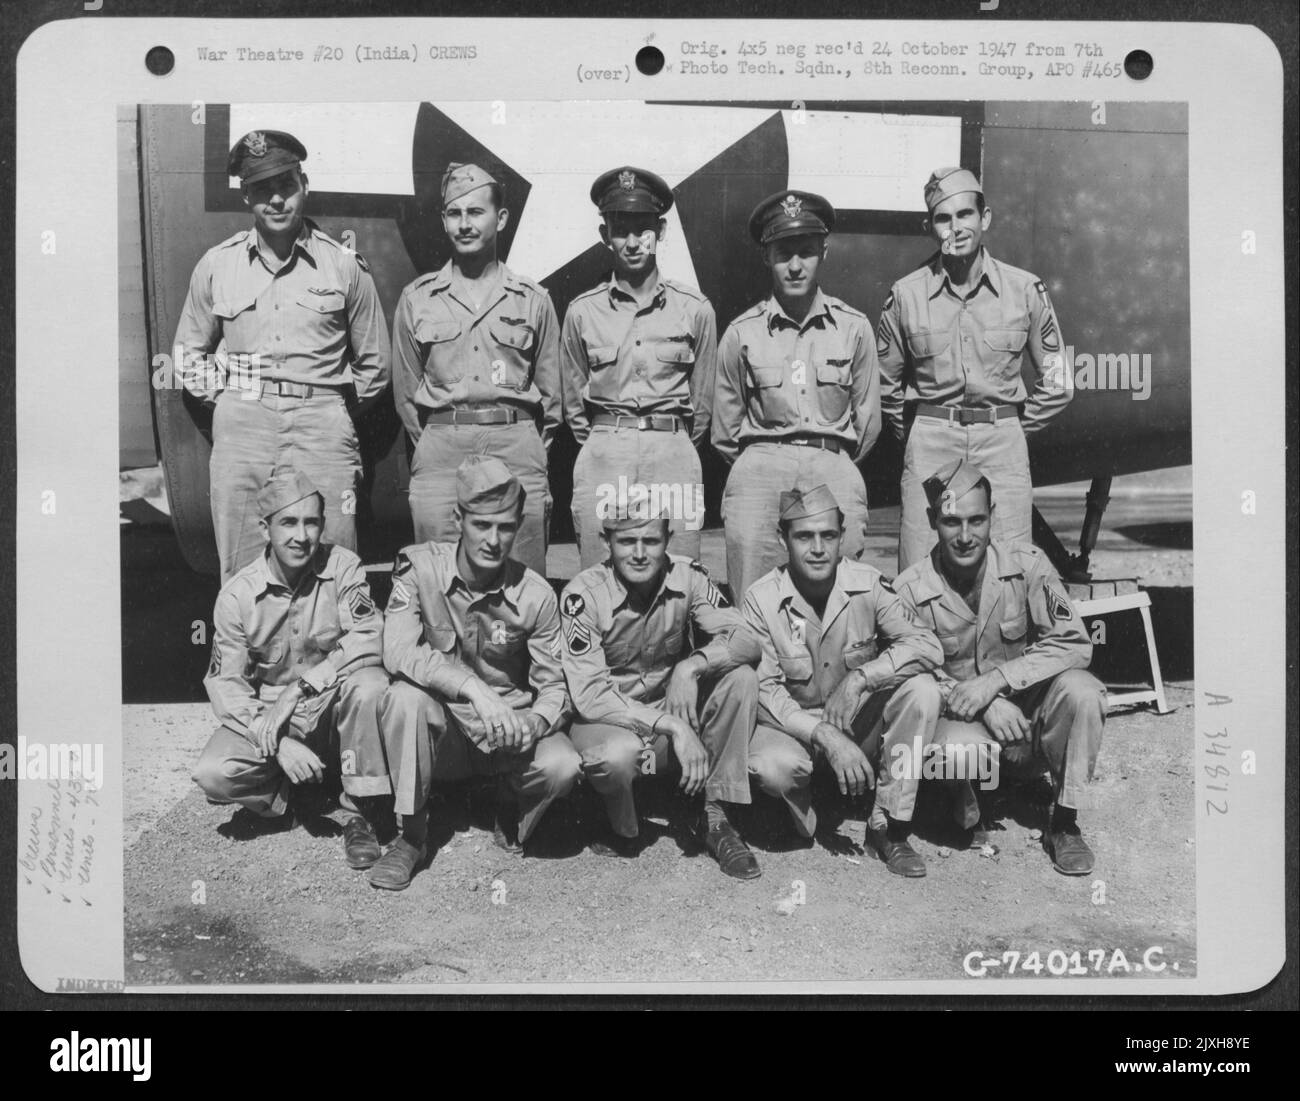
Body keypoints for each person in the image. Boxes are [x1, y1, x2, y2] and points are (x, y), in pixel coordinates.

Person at [174, 130, 390, 582]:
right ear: (246, 197)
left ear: (304, 185)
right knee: (243, 568)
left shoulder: (344, 264)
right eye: (261, 189)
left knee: (334, 563)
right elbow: (189, 353)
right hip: (244, 427)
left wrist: (328, 407)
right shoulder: (218, 265)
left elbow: (375, 365)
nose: (276, 199)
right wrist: (232, 401)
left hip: (322, 427)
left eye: (286, 185)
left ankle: (335, 652)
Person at [371, 457, 580, 890]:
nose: (493, 539)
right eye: (481, 525)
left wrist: (536, 722)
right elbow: (397, 650)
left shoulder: (536, 595)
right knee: (404, 699)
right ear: (457, 519)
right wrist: (472, 688)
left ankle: (508, 804)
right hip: (447, 731)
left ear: (519, 525)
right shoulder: (419, 570)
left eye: (505, 527)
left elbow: (555, 684)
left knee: (562, 764)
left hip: (507, 732)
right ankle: (411, 835)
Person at [892, 459, 1106, 875]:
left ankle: (1064, 822)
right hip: (963, 725)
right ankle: (956, 797)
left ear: (992, 517)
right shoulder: (909, 590)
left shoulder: (1028, 567)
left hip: (1024, 726)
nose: (966, 536)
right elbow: (907, 671)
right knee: (957, 752)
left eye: (977, 520)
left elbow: (1075, 642)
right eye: (952, 522)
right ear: (933, 520)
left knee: (1083, 690)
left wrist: (997, 682)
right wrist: (983, 701)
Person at [193, 469, 392, 871]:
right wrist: (277, 743)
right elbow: (225, 683)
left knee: (369, 684)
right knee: (215, 773)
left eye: (312, 522)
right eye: (288, 522)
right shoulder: (237, 596)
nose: (301, 536)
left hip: (332, 710)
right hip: (272, 722)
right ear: (265, 528)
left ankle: (360, 812)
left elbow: (370, 635)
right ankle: (289, 795)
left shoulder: (343, 567)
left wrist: (298, 689)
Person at [741, 484, 945, 878]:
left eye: (828, 536)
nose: (817, 548)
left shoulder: (868, 583)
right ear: (783, 539)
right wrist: (825, 736)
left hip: (855, 723)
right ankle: (803, 808)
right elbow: (764, 691)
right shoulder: (760, 600)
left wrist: (862, 677)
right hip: (794, 729)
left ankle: (887, 823)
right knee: (774, 766)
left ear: (842, 536)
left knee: (922, 690)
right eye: (804, 536)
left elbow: (926, 646)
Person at [876, 167, 1072, 571]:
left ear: (985, 219)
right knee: (918, 571)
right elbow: (884, 385)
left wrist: (1010, 427)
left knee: (1011, 569)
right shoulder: (906, 295)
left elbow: (1059, 381)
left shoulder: (1024, 291)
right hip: (932, 442)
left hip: (1002, 444)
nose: (956, 228)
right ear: (930, 227)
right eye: (943, 219)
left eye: (965, 215)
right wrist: (924, 430)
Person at [559, 504, 762, 878]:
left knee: (742, 678)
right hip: (613, 721)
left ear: (668, 539)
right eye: (627, 541)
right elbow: (590, 696)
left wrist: (692, 665)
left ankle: (715, 816)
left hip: (669, 719)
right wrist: (672, 725)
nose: (639, 553)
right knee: (618, 754)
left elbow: (747, 638)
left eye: (651, 540)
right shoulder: (582, 596)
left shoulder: (689, 577)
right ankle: (618, 820)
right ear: (606, 542)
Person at [391, 162, 560, 577]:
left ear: (500, 218)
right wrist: (439, 436)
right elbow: (407, 395)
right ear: (444, 221)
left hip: (515, 445)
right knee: (437, 578)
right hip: (442, 449)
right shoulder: (417, 299)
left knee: (522, 581)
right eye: (454, 213)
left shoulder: (532, 300)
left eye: (476, 212)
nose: (465, 224)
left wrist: (523, 443)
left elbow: (554, 400)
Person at [712, 190, 882, 603]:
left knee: (842, 598)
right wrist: (765, 461)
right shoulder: (742, 333)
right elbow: (725, 427)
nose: (794, 265)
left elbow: (867, 419)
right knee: (753, 596)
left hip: (832, 466)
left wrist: (830, 460)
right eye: (783, 253)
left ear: (823, 252)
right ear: (765, 256)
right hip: (759, 472)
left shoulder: (854, 328)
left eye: (805, 252)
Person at [560, 166, 717, 566]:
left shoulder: (694, 309)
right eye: (620, 229)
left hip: (672, 451)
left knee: (680, 570)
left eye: (643, 229)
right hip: (604, 452)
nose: (632, 242)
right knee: (600, 570)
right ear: (604, 236)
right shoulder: (582, 312)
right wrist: (605, 441)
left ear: (660, 231)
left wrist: (672, 442)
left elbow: (701, 401)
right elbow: (574, 402)